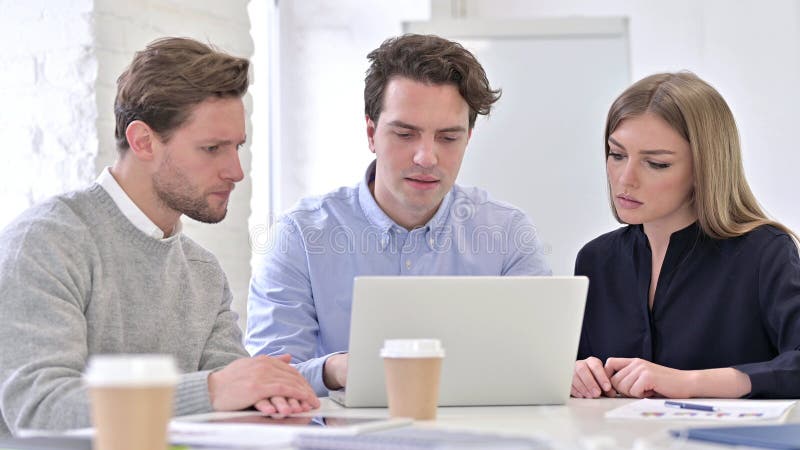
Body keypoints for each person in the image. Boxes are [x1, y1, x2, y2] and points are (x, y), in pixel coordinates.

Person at [0, 37, 319, 435]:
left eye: (236, 146)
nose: (236, 171)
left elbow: (232, 400)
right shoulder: (45, 244)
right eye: (212, 148)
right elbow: (39, 409)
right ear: (144, 142)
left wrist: (268, 399)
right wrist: (214, 389)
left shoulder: (203, 271)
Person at [246, 34, 551, 396]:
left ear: (469, 137)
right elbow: (267, 377)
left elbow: (538, 368)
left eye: (448, 138)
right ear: (372, 133)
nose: (426, 157)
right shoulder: (300, 235)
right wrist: (334, 370)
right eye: (405, 134)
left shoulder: (507, 235)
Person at [571, 72, 800, 399]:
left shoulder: (764, 252)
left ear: (704, 168)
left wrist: (689, 383)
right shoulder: (596, 259)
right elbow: (579, 368)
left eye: (656, 163)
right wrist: (575, 372)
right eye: (617, 155)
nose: (625, 178)